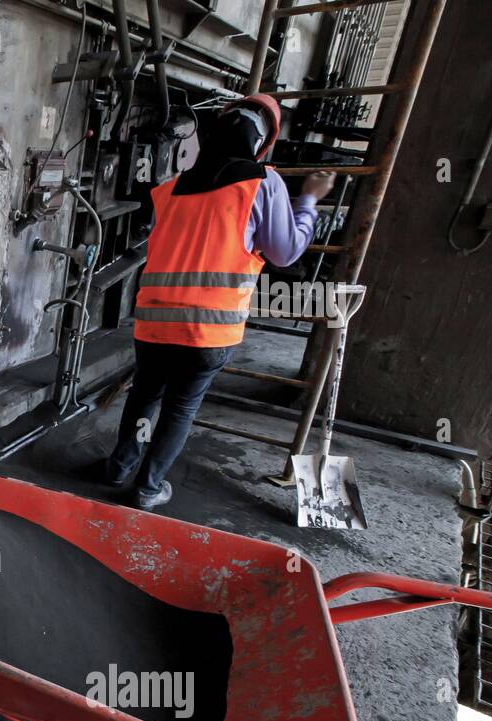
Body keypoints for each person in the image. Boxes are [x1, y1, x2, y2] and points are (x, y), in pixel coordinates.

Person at [106, 93, 336, 509]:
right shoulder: (262, 183)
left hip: (154, 321)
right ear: (263, 141)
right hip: (209, 329)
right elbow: (284, 253)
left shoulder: (169, 188)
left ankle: (120, 466)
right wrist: (308, 202)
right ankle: (147, 488)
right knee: (179, 407)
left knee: (145, 395)